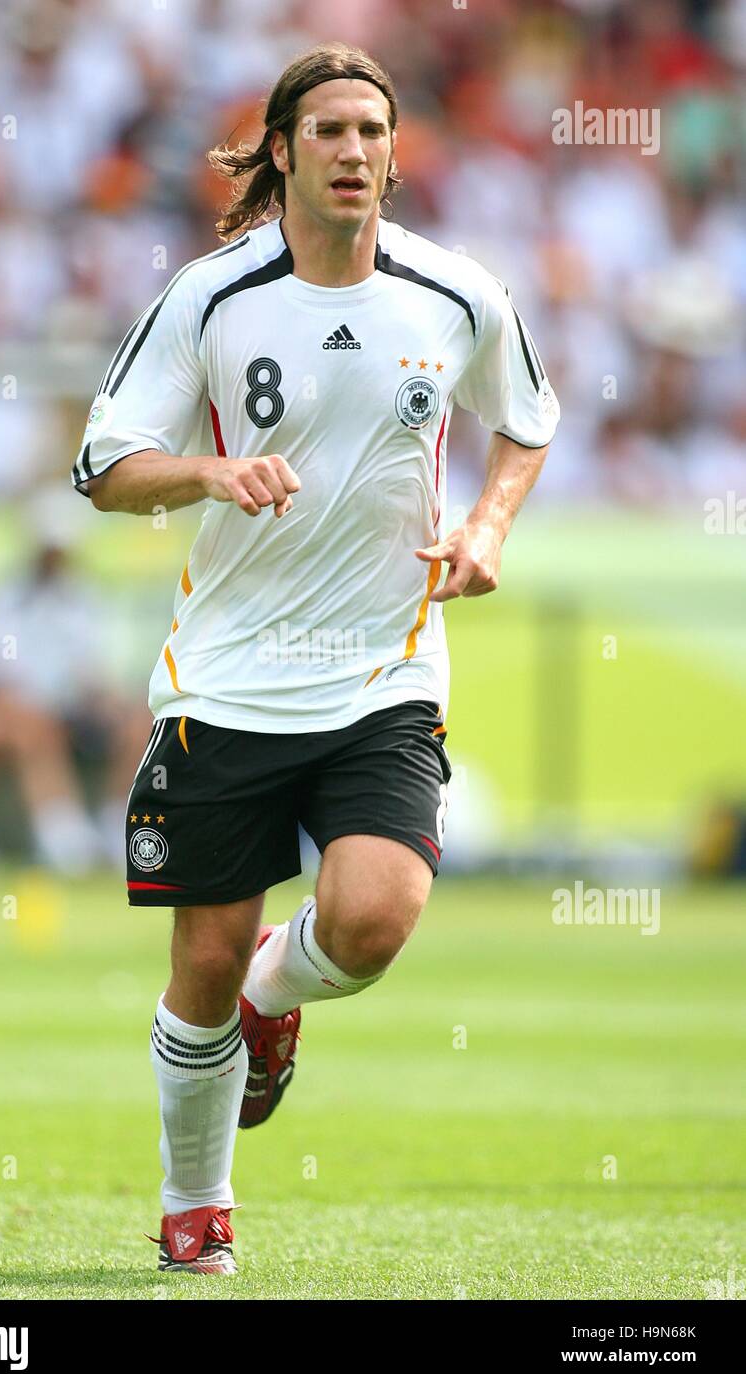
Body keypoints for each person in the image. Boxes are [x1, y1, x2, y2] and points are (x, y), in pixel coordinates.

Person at [72, 42, 559, 1275]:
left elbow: (527, 420)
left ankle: (269, 1009)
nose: (354, 152)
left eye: (373, 132)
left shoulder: (455, 294)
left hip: (382, 673)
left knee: (375, 916)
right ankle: (196, 1209)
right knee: (201, 958)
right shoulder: (211, 297)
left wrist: (487, 526)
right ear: (281, 150)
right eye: (330, 131)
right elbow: (102, 464)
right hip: (227, 680)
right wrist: (208, 470)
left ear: (394, 154)